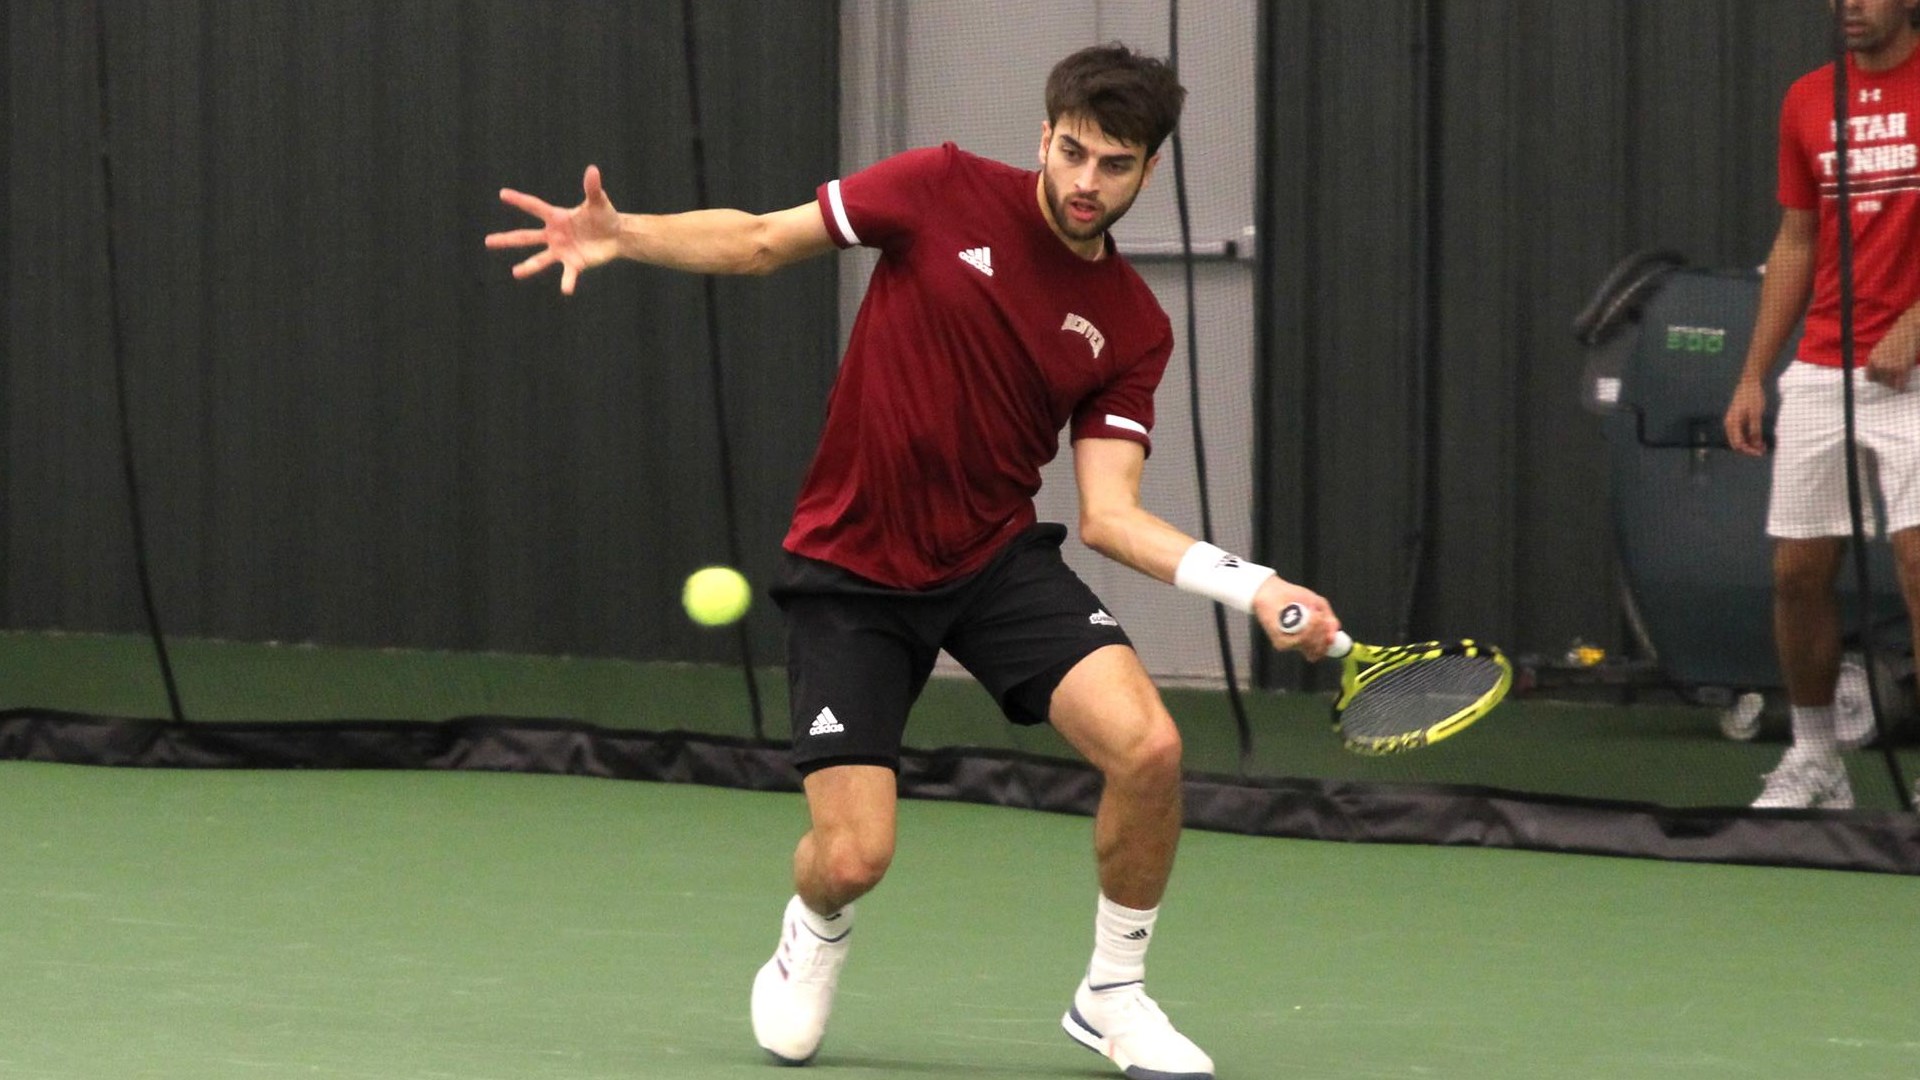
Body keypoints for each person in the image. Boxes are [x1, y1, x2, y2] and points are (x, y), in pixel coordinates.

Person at [487, 42, 1339, 1078]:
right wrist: (628, 234)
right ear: (1043, 133)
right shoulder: (936, 188)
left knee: (1150, 749)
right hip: (852, 570)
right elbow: (760, 241)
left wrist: (1253, 587)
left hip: (991, 564)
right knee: (855, 858)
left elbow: (1111, 514)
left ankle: (1113, 995)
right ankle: (812, 927)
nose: (1084, 182)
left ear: (1148, 171)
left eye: (1114, 165)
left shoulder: (1131, 324)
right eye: (1072, 151)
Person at [1723, 0, 1920, 809]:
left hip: (1913, 380)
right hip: (1821, 369)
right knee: (1797, 573)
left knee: (1918, 563)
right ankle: (1816, 760)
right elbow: (1797, 239)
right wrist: (1751, 373)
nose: (1851, 4)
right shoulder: (1809, 98)